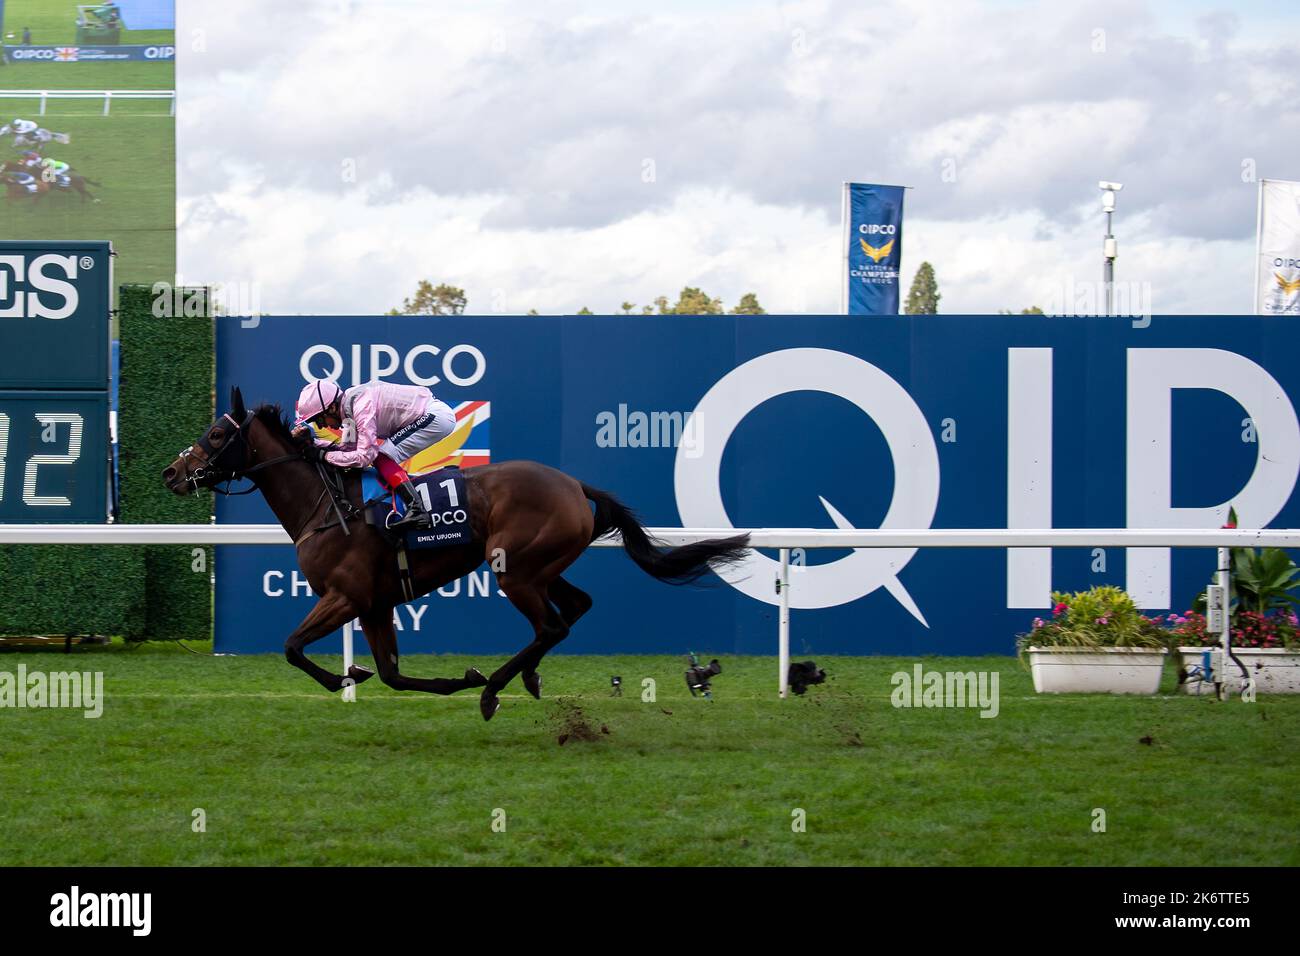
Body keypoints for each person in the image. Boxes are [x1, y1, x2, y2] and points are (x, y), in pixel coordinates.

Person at [293, 379, 457, 531]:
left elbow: (365, 457)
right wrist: (313, 443)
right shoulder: (349, 412)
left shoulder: (360, 405)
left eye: (319, 420)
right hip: (429, 415)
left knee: (381, 456)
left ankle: (417, 509)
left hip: (435, 416)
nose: (321, 427)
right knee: (380, 456)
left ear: (333, 408)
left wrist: (322, 456)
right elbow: (347, 451)